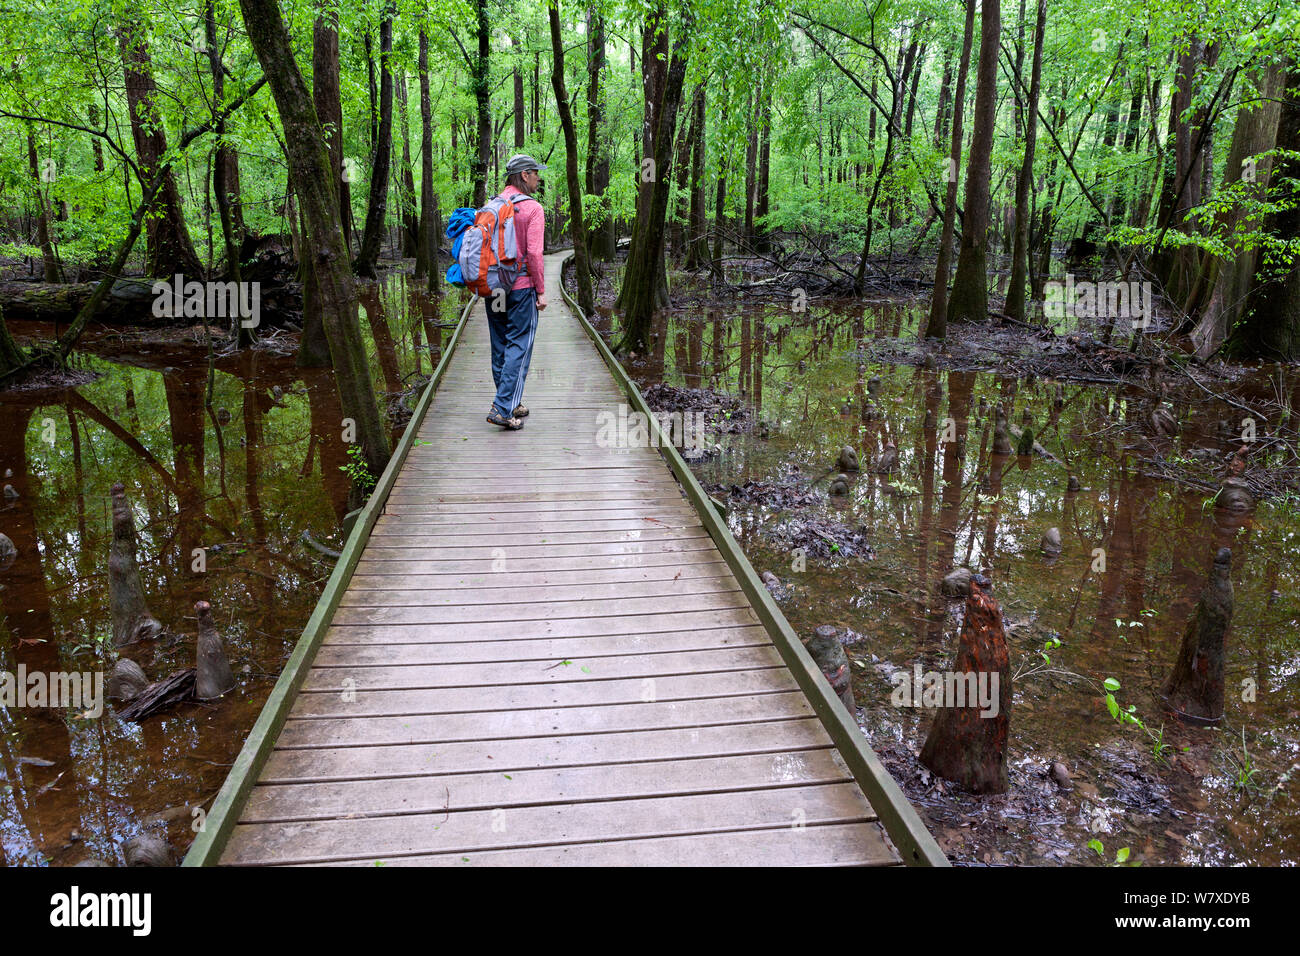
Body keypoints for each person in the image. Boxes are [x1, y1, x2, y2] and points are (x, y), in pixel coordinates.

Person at [485, 154, 548, 430]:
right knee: (519, 346)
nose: (538, 178)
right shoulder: (533, 209)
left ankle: (510, 401)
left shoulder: (492, 206)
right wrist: (542, 291)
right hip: (521, 289)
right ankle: (501, 407)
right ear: (524, 175)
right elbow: (534, 253)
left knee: (500, 343)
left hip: (495, 289)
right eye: (535, 173)